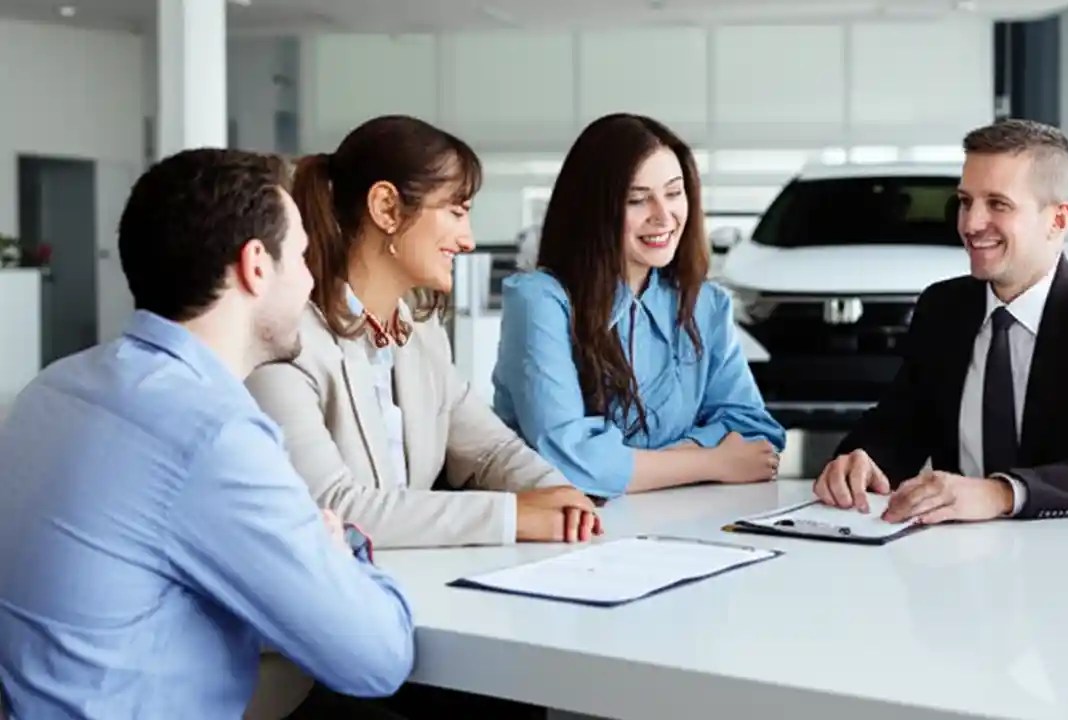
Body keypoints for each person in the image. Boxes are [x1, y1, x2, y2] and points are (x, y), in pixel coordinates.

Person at [0, 149, 414, 720]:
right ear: (256, 266)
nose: (313, 278)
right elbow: (378, 659)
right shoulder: (212, 433)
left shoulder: (52, 390)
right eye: (301, 256)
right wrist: (341, 551)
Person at [245, 114, 600, 551]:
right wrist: (513, 516)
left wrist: (562, 499)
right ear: (387, 209)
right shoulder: (288, 342)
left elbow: (492, 451)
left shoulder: (419, 330)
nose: (468, 240)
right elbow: (331, 505)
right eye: (456, 211)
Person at [814, 118, 1068, 524]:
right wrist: (862, 460)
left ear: (1058, 220)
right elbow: (900, 425)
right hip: (956, 562)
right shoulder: (944, 307)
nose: (970, 224)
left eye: (998, 204)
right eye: (965, 200)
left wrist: (1004, 493)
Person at [491, 113, 786, 499]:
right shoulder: (540, 301)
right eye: (637, 199)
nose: (663, 216)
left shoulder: (704, 304)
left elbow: (755, 435)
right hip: (567, 534)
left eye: (674, 192)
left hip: (684, 525)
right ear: (593, 209)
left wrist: (629, 463)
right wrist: (713, 461)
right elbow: (569, 460)